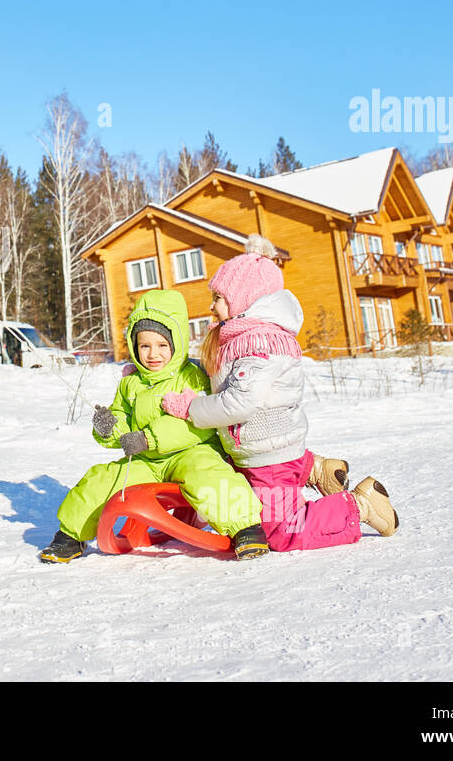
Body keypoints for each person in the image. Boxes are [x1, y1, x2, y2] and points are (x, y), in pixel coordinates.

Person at [161, 236, 399, 551]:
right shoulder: (241, 338)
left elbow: (239, 402)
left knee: (282, 529)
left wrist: (192, 408)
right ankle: (315, 469)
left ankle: (361, 505)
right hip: (260, 451)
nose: (211, 305)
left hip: (269, 459)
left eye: (218, 297)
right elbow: (219, 377)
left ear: (243, 298)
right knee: (239, 487)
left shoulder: (259, 344)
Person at [38, 288, 270, 564]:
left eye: (162, 345)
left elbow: (198, 423)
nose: (153, 354)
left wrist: (149, 439)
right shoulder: (130, 382)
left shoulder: (192, 376)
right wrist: (109, 428)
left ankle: (246, 527)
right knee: (102, 479)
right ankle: (70, 535)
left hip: (191, 452)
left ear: (177, 344)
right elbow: (122, 420)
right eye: (144, 346)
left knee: (208, 474)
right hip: (146, 461)